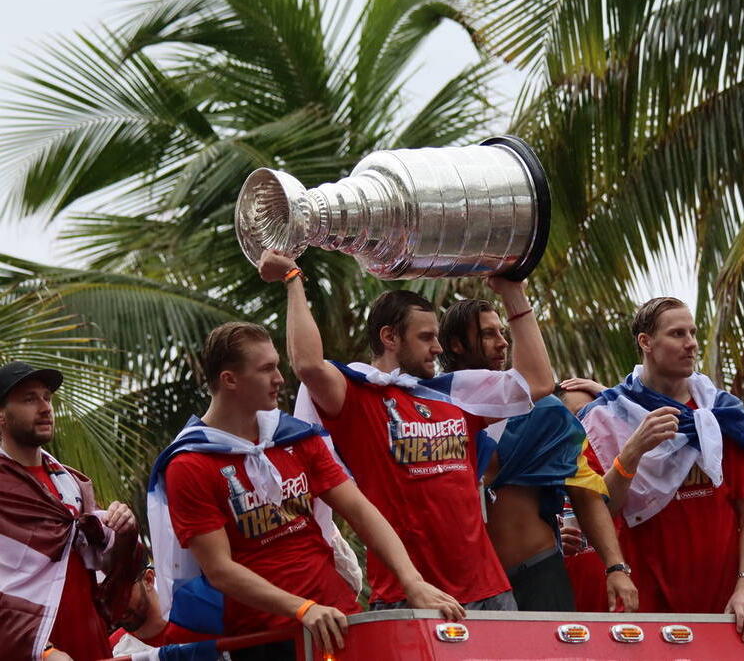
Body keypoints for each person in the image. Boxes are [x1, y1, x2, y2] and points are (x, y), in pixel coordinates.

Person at [258, 250, 554, 611]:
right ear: (390, 337)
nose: (438, 348)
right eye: (426, 337)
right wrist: (292, 279)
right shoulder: (359, 396)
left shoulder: (456, 393)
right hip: (409, 596)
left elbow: (538, 381)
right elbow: (308, 365)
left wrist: (513, 293)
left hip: (490, 592)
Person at [148, 322, 463, 660]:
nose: (280, 379)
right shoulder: (189, 463)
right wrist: (302, 608)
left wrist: (411, 580)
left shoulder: (294, 436)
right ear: (230, 380)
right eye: (267, 369)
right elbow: (219, 569)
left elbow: (360, 510)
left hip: (338, 616)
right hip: (267, 638)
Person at [561, 297, 744, 643]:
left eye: (692, 333)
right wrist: (633, 452)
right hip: (645, 610)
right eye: (678, 334)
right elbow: (600, 510)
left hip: (722, 611)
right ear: (646, 342)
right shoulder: (608, 416)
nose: (691, 343)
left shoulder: (720, 414)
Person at [439, 299, 638, 612]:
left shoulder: (545, 411)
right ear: (456, 344)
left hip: (537, 572)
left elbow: (585, 493)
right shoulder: (432, 411)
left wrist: (616, 568)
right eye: (488, 334)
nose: (502, 342)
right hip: (462, 583)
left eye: (503, 332)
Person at [0, 361, 140, 661]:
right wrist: (45, 651)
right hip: (30, 649)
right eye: (29, 399)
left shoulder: (71, 485)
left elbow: (105, 562)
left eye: (47, 398)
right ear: (1, 416)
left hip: (90, 639)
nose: (45, 408)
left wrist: (124, 529)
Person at [108, 563, 214, 655]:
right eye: (106, 598)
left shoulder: (198, 625)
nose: (116, 605)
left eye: (122, 592)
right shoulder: (112, 648)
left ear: (148, 580)